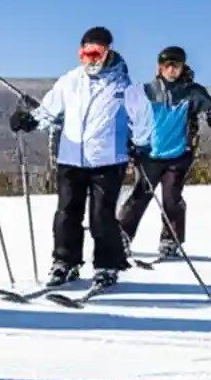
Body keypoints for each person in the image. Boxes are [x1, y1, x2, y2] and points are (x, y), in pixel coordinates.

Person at [10, 26, 153, 287]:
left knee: (101, 216)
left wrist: (141, 146)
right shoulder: (69, 81)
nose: (91, 60)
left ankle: (108, 265)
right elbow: (49, 111)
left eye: (96, 54)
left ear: (107, 52)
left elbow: (141, 121)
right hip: (71, 159)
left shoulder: (124, 86)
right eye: (85, 54)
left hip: (108, 161)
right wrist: (30, 121)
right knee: (66, 214)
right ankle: (65, 262)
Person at [117, 46, 211, 257]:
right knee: (140, 195)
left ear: (183, 67)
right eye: (168, 65)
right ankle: (122, 237)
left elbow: (209, 107)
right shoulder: (145, 90)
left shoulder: (192, 91)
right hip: (149, 154)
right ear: (160, 67)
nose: (172, 70)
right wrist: (129, 142)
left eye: (177, 65)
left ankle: (170, 239)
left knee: (172, 197)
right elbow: (130, 116)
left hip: (179, 154)